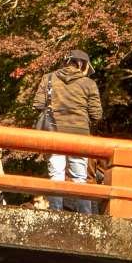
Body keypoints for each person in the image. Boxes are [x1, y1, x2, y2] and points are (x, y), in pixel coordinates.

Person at [35, 49, 102, 213]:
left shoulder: (48, 78)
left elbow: (38, 104)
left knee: (56, 176)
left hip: (54, 132)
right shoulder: (89, 84)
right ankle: (85, 215)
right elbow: (96, 114)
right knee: (80, 177)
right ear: (82, 65)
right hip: (79, 134)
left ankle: (56, 212)